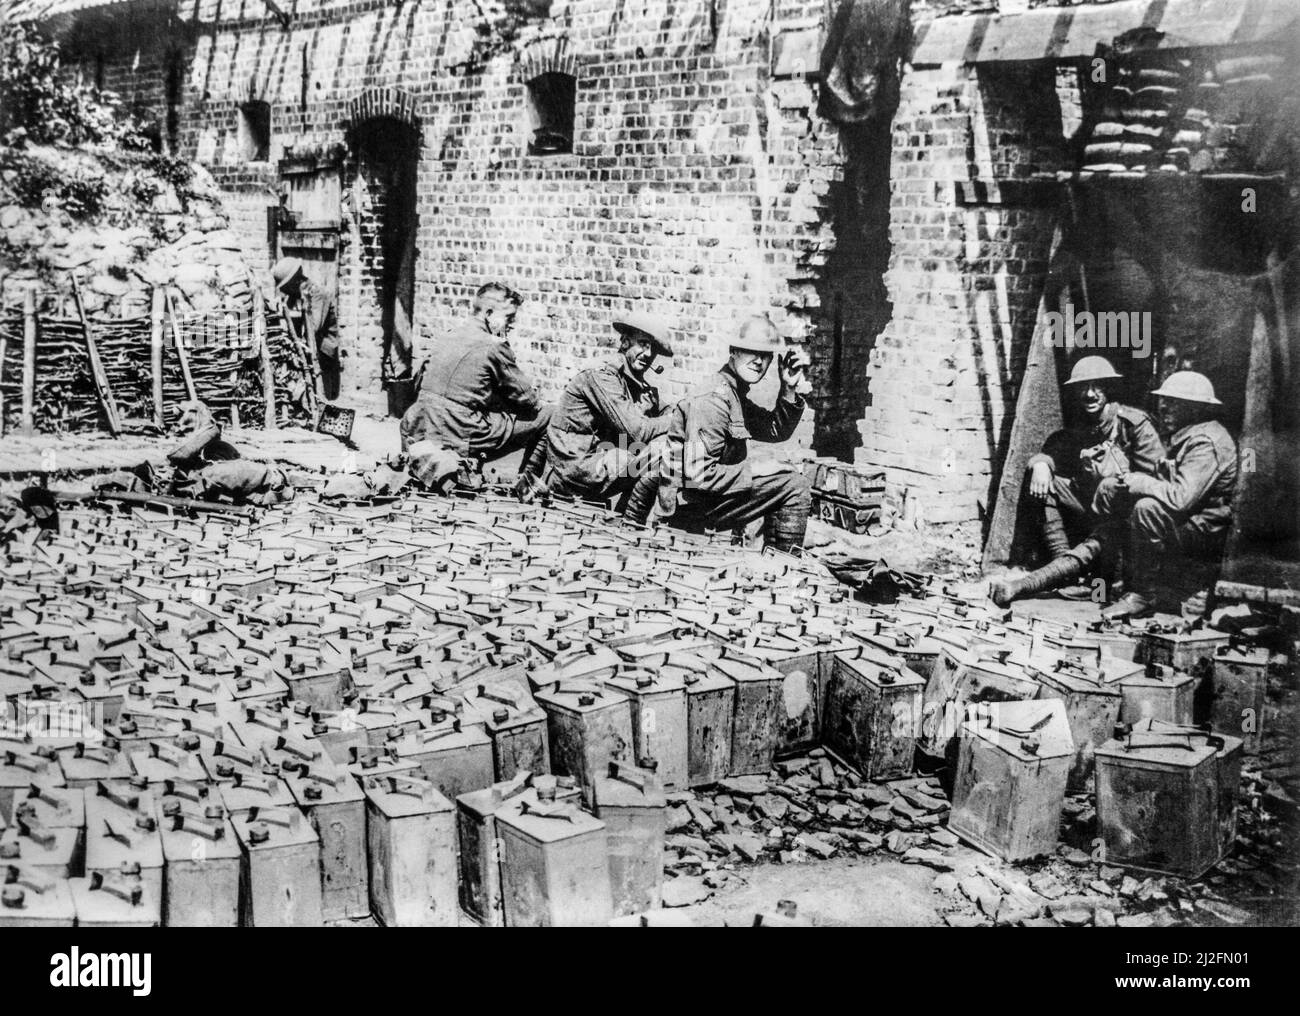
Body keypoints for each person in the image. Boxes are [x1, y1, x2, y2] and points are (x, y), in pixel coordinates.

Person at [989, 355, 1163, 606]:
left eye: (1097, 386)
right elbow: (1054, 450)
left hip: (1125, 517)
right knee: (1047, 484)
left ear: (1108, 388)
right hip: (1093, 509)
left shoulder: (1134, 425)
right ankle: (1065, 570)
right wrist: (1041, 464)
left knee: (1101, 568)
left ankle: (1072, 578)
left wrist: (1119, 487)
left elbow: (1155, 481)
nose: (1090, 394)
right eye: (1083, 387)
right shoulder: (1083, 424)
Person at [654, 316, 812, 553]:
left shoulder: (733, 394)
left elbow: (774, 429)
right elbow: (699, 476)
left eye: (766, 354)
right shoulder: (713, 400)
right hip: (686, 510)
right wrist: (758, 468)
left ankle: (777, 562)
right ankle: (784, 567)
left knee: (788, 481)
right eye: (751, 351)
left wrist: (788, 388)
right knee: (794, 486)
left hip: (707, 499)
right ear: (734, 351)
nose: (759, 361)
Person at [1094, 371, 1238, 620]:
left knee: (1147, 509)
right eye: (1164, 401)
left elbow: (1181, 498)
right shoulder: (1188, 434)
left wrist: (1141, 482)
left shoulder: (1205, 442)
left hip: (1206, 533)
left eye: (1174, 403)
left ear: (1196, 409)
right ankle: (1128, 581)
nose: (1164, 408)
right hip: (1191, 524)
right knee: (1126, 496)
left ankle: (1143, 595)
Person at [399, 282, 552, 467]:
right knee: (549, 415)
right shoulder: (494, 345)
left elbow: (418, 383)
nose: (512, 325)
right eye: (509, 318)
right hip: (459, 431)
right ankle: (527, 484)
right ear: (488, 314)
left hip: (417, 426)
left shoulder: (447, 335)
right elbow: (529, 401)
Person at [534, 311, 675, 505]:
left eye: (654, 349)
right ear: (625, 341)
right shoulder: (603, 375)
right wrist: (675, 420)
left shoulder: (631, 376)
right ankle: (632, 522)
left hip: (594, 460)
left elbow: (662, 409)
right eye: (643, 344)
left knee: (667, 445)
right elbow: (638, 431)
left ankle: (627, 516)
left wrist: (680, 412)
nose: (649, 354)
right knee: (660, 450)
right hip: (577, 468)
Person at [272, 257, 340, 401]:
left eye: (285, 286)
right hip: (307, 349)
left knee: (322, 396)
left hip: (323, 352)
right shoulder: (294, 296)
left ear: (294, 281)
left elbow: (313, 327)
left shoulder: (317, 293)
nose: (284, 291)